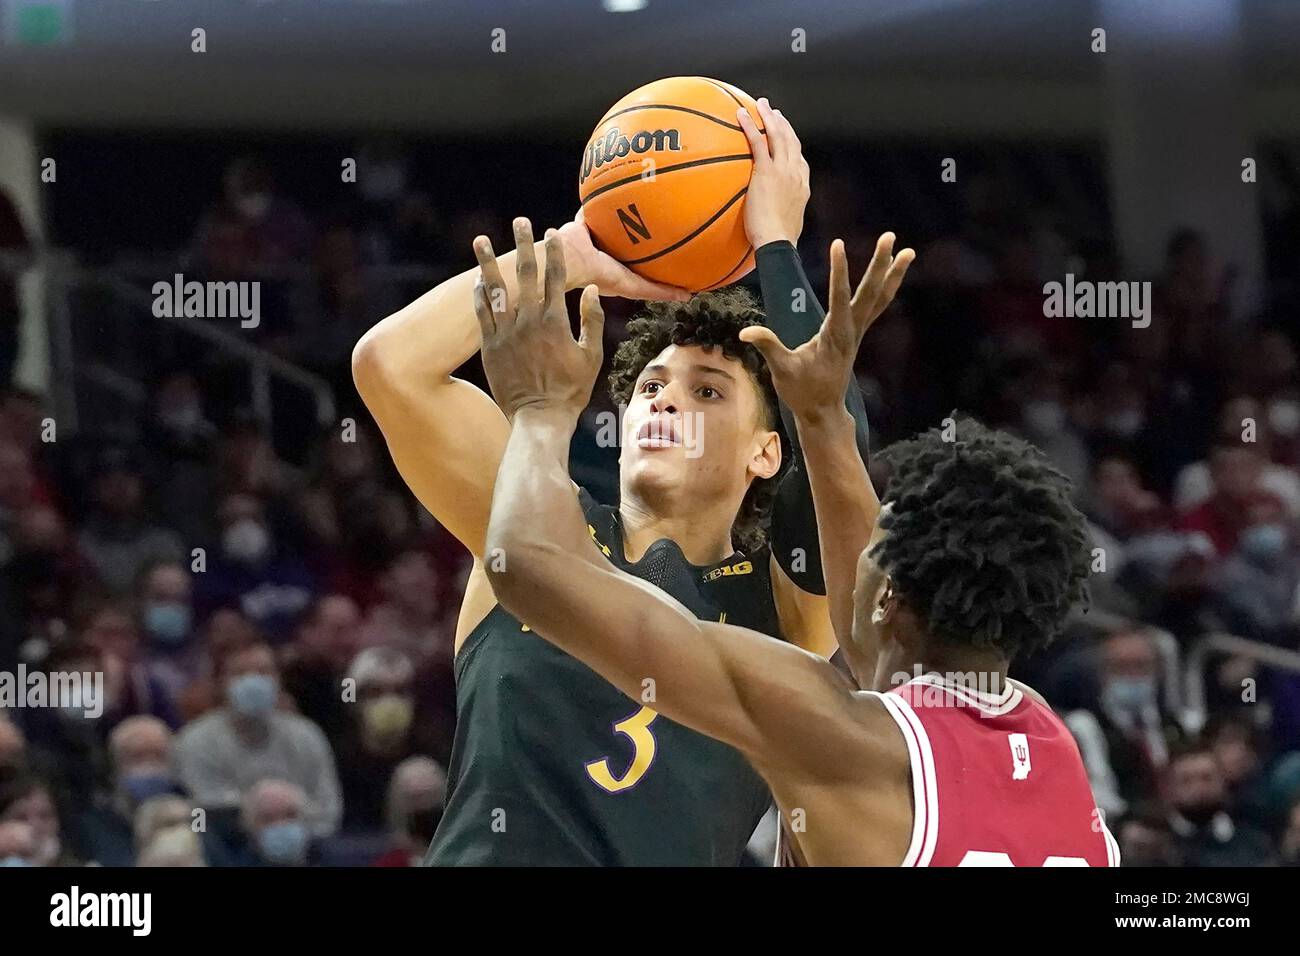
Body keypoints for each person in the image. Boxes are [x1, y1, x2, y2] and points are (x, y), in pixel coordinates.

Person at [474, 223, 1119, 866]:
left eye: (871, 550)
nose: (852, 554)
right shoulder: (1053, 747)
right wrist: (822, 417)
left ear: (889, 596)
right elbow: (882, 652)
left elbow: (529, 567)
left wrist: (539, 410)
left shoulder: (834, 734)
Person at [355, 102, 871, 865]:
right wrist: (573, 257)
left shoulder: (785, 607)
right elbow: (389, 366)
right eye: (652, 385)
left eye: (707, 390)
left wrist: (775, 249)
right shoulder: (539, 527)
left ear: (767, 451)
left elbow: (834, 440)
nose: (665, 399)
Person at [174, 640, 342, 836]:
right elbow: (205, 809)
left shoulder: (307, 735)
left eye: (263, 672)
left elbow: (328, 810)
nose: (253, 682)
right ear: (220, 683)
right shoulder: (196, 740)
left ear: (279, 680)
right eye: (240, 674)